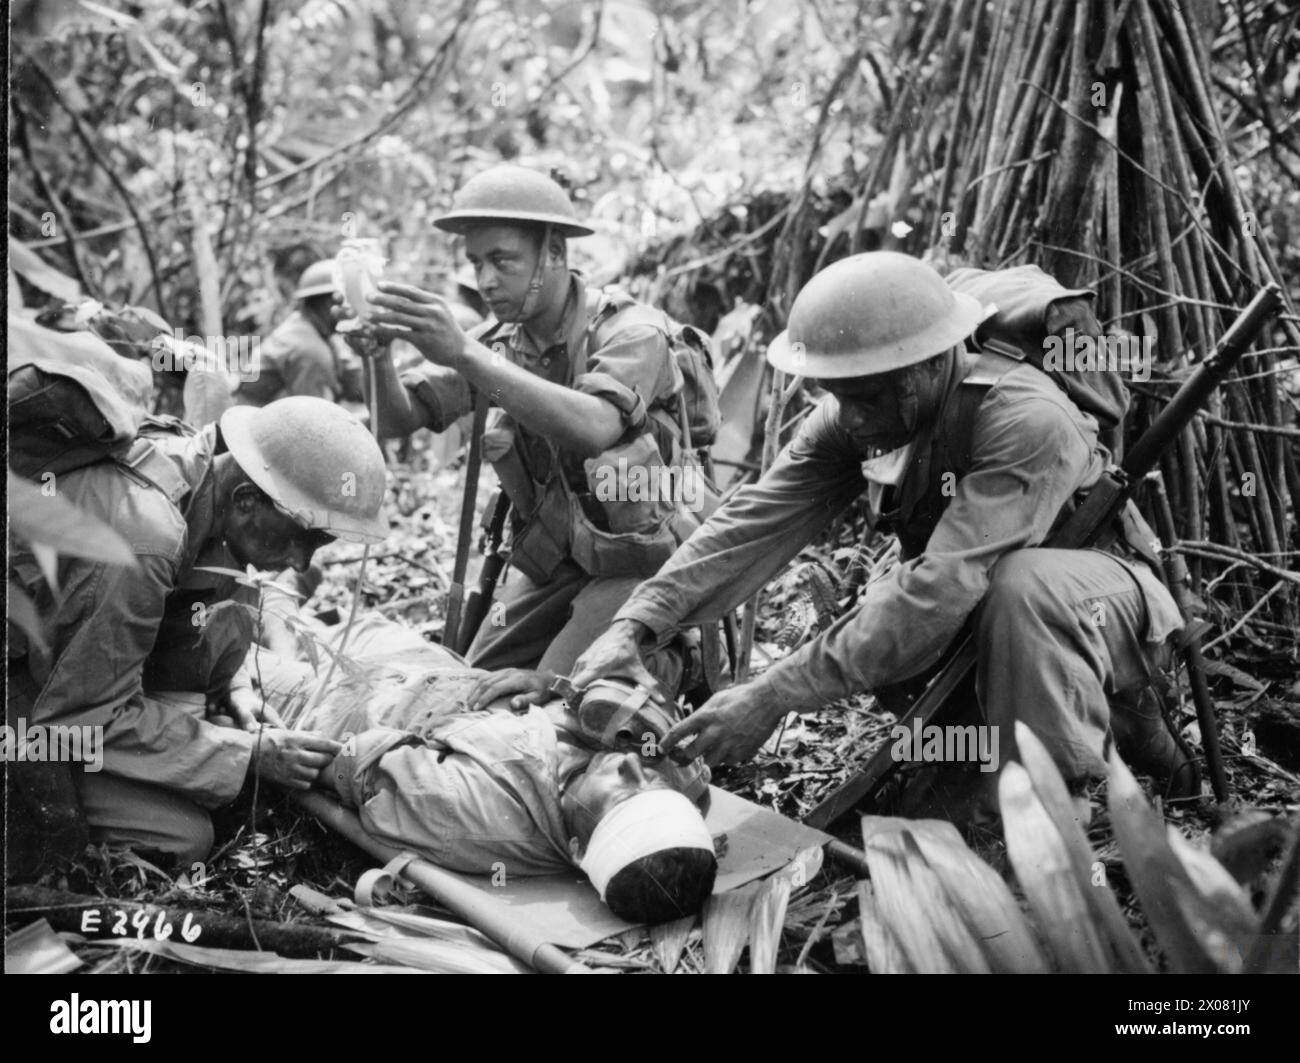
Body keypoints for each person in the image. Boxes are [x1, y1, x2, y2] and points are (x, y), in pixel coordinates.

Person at [571, 251, 1193, 806]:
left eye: (866, 397)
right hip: (993, 616)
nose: (852, 417)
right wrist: (640, 621)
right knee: (927, 635)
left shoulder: (1024, 417)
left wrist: (771, 695)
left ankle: (1061, 806)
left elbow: (938, 592)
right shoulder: (860, 406)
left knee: (1020, 586)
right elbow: (754, 520)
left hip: (1106, 606)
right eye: (836, 395)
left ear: (927, 364)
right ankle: (995, 755)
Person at [347, 164, 705, 689]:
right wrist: (376, 356)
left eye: (502, 261)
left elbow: (594, 427)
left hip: (644, 558)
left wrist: (466, 354)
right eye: (475, 262)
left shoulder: (633, 332)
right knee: (469, 690)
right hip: (561, 559)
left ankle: (678, 664)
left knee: (557, 698)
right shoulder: (499, 343)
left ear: (555, 253)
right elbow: (400, 418)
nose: (485, 280)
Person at [8, 392, 390, 870]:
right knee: (182, 836)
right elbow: (83, 715)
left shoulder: (211, 480)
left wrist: (235, 685)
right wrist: (248, 754)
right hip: (30, 698)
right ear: (247, 501)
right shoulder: (147, 538)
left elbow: (189, 611)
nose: (299, 563)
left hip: (63, 671)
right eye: (300, 539)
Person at [249, 612, 717, 925]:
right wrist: (554, 686)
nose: (634, 763)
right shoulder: (672, 782)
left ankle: (276, 626)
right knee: (314, 620)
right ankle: (286, 617)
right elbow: (692, 778)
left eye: (622, 791)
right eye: (651, 781)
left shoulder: (467, 816)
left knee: (231, 642)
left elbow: (348, 765)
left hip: (337, 699)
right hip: (431, 666)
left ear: (577, 850)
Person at [234, 260, 366, 408]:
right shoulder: (308, 348)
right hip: (260, 422)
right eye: (346, 300)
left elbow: (355, 387)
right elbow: (314, 419)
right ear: (329, 302)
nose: (351, 307)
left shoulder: (308, 329)